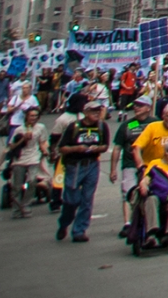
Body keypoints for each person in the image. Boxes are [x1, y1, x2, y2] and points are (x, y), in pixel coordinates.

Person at [55, 97, 109, 242]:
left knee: (87, 199)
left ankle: (79, 230)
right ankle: (64, 222)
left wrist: (97, 148)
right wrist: (76, 148)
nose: (97, 113)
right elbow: (61, 148)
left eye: (99, 110)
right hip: (75, 165)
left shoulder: (102, 127)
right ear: (85, 112)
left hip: (92, 164)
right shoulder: (74, 127)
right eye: (93, 111)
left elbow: (105, 146)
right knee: (72, 200)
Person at [4, 106, 46, 219]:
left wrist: (45, 150)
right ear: (26, 116)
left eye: (36, 116)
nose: (33, 118)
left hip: (34, 158)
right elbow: (11, 146)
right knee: (17, 186)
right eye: (31, 115)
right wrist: (23, 139)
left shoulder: (40, 128)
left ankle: (26, 205)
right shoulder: (19, 130)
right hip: (20, 159)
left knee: (32, 181)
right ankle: (16, 209)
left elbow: (42, 142)